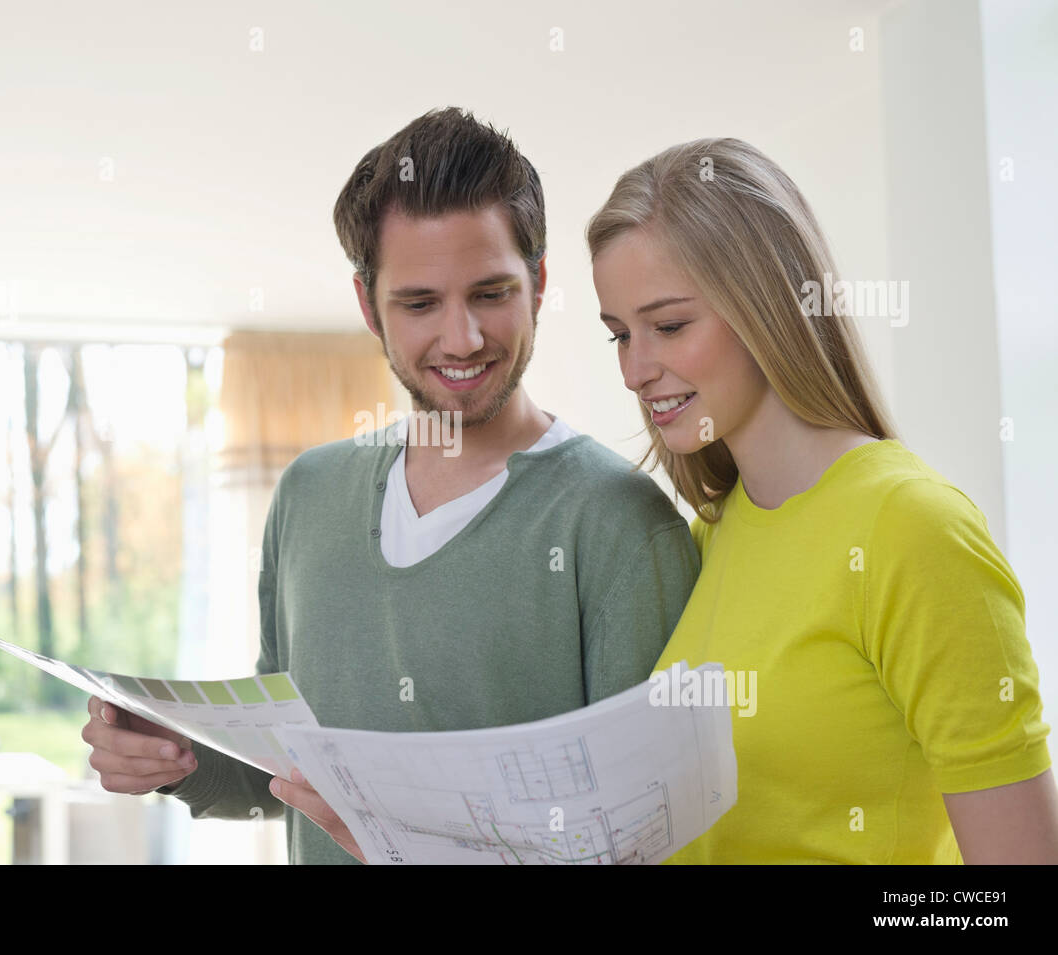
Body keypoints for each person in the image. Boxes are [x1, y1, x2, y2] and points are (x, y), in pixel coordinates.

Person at [79, 107, 701, 865]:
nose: (462, 337)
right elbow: (287, 766)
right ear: (368, 305)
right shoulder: (308, 496)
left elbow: (641, 842)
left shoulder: (622, 525)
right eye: (419, 303)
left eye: (491, 293)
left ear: (538, 284)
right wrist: (176, 755)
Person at [586, 136, 1058, 863]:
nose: (635, 369)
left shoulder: (913, 529)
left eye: (669, 325)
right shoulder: (715, 533)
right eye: (620, 334)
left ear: (767, 304)